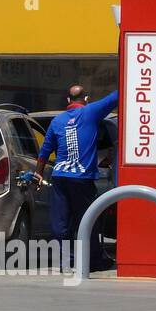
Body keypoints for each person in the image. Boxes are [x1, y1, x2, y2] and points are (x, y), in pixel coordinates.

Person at [35, 85, 119, 267]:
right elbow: (116, 97)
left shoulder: (57, 121)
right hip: (82, 179)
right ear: (86, 99)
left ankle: (64, 261)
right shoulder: (91, 111)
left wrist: (38, 174)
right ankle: (93, 261)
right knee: (88, 219)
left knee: (60, 221)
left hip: (60, 177)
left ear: (68, 100)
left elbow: (44, 151)